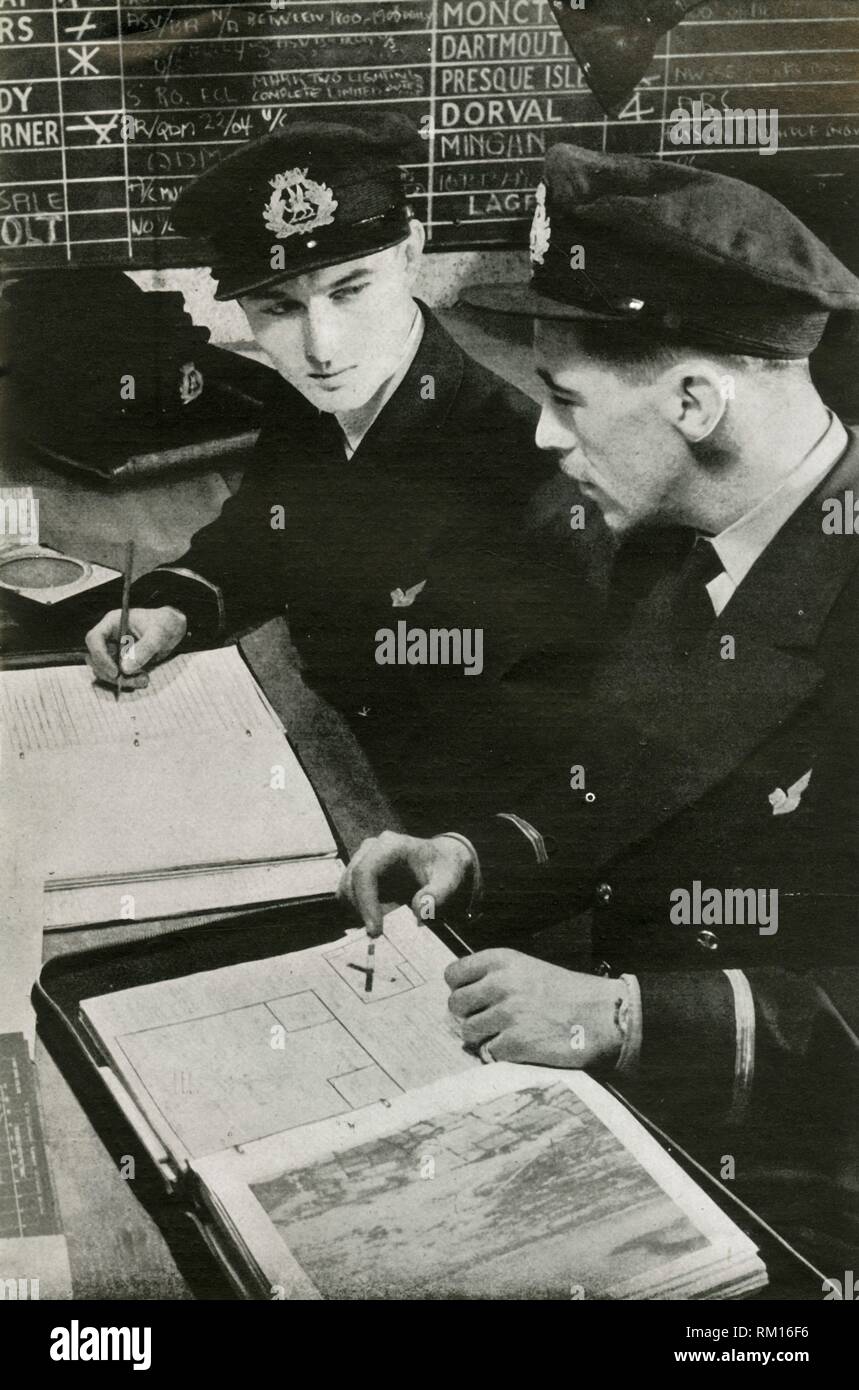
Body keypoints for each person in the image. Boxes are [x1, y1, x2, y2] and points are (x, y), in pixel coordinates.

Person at [338, 145, 859, 1269]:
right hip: (670, 1112)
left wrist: (618, 1016)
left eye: (565, 398)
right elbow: (631, 788)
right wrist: (478, 856)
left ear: (693, 400)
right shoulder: (680, 537)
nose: (542, 435)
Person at [84, 115, 601, 826]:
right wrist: (176, 605)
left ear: (411, 252)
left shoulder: (524, 471)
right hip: (316, 756)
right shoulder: (317, 403)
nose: (320, 346)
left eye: (349, 290)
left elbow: (536, 766)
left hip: (410, 824)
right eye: (278, 307)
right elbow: (268, 530)